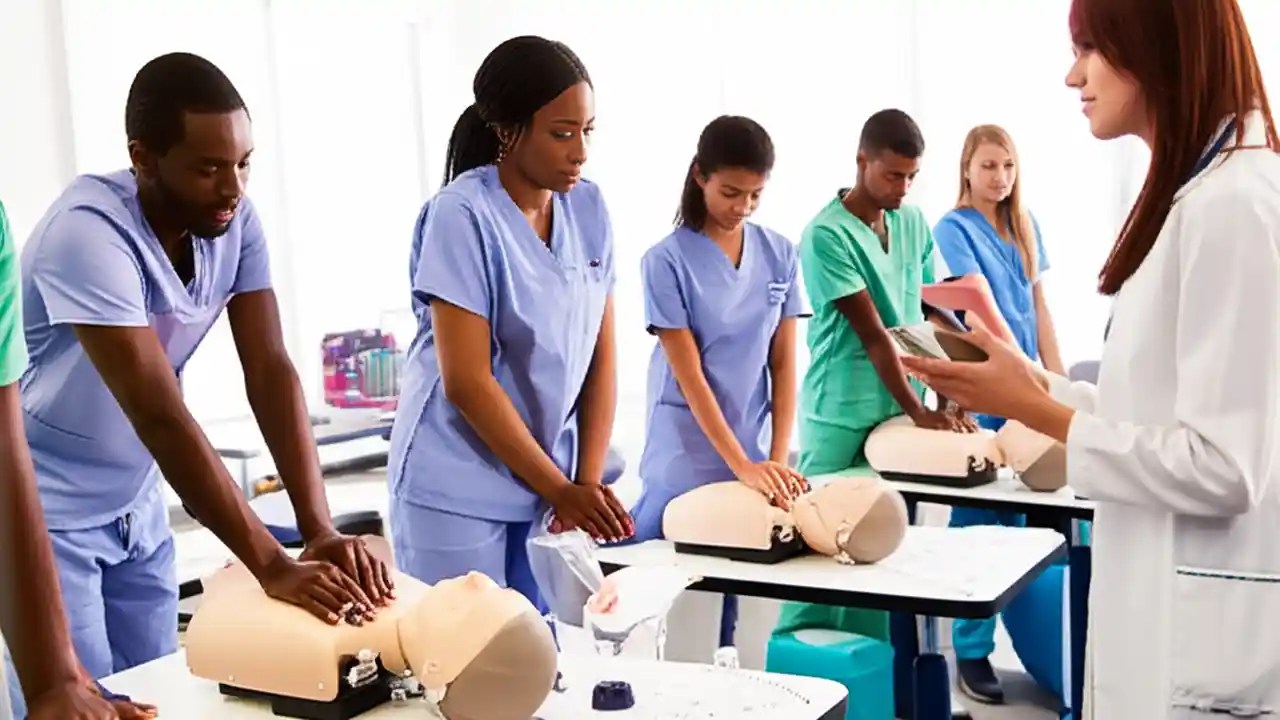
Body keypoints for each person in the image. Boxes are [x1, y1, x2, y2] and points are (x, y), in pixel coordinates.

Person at [901, 0, 1280, 716]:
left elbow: (1227, 468)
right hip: (1162, 623)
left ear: (1154, 43)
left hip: (1204, 652)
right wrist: (1036, 383)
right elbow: (1155, 414)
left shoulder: (1234, 204)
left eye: (1090, 48)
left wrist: (1034, 407)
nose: (1073, 74)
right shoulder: (1193, 196)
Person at [5, 52, 392, 719]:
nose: (233, 187)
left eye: (243, 163)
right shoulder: (87, 235)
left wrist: (317, 527)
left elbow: (269, 369)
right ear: (144, 157)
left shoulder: (234, 221)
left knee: (160, 695)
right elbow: (158, 412)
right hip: (51, 518)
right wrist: (272, 565)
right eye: (208, 168)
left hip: (137, 505)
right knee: (82, 704)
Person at [388, 35, 634, 611]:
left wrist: (586, 484)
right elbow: (467, 381)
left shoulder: (589, 209)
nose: (580, 151)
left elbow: (600, 360)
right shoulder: (462, 215)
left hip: (545, 485)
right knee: (466, 667)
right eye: (561, 132)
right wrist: (561, 488)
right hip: (454, 485)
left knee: (542, 668)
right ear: (507, 130)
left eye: (587, 130)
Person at [773, 109, 975, 697]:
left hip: (894, 410)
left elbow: (930, 313)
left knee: (876, 553)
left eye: (912, 177)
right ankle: (799, 693)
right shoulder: (826, 234)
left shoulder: (911, 221)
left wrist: (946, 392)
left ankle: (869, 696)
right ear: (862, 162)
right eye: (892, 175)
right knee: (819, 553)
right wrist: (923, 413)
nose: (902, 188)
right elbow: (875, 334)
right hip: (838, 411)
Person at [628, 115, 810, 649]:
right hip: (685, 447)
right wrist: (744, 467)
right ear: (699, 177)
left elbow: (782, 365)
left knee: (737, 597)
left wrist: (773, 462)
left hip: (752, 446)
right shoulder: (665, 262)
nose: (743, 207)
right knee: (675, 591)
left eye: (756, 195)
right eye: (731, 192)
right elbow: (691, 378)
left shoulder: (779, 252)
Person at [1, 200, 158, 720]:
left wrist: (53, 685)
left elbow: (5, 445)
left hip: (132, 502)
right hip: (62, 516)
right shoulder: (78, 233)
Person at [932, 124, 1062, 704]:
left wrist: (1054, 382)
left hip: (1030, 388)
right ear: (966, 169)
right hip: (989, 385)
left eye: (1007, 165)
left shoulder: (1025, 224)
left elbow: (1038, 304)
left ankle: (1044, 645)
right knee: (981, 522)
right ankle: (971, 652)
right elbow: (972, 306)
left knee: (1030, 521)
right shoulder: (952, 229)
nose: (999, 177)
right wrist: (1017, 376)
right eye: (987, 166)